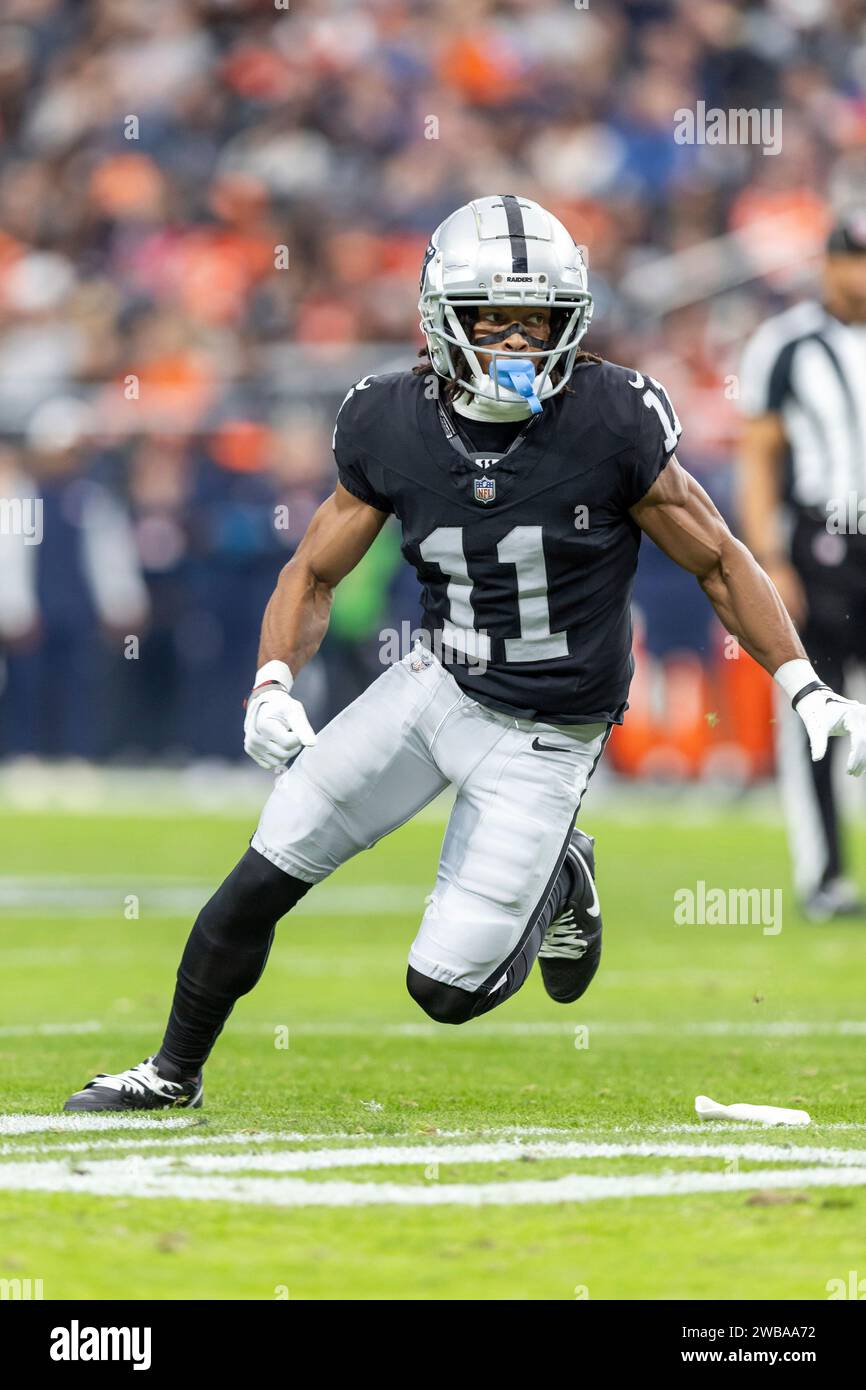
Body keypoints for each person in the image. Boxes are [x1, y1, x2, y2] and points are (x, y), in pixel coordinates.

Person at [65, 196, 866, 1111]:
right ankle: (172, 1074)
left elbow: (719, 557)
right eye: (497, 320)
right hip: (436, 685)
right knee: (267, 865)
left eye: (540, 322)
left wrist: (804, 685)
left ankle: (565, 872)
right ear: (443, 321)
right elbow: (315, 571)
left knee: (445, 991)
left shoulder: (610, 417)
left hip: (549, 731)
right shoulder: (389, 418)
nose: (521, 344)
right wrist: (273, 682)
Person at [738, 210, 866, 919]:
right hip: (823, 545)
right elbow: (759, 456)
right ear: (830, 264)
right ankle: (824, 875)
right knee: (819, 710)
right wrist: (770, 561)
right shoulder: (787, 344)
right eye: (855, 259)